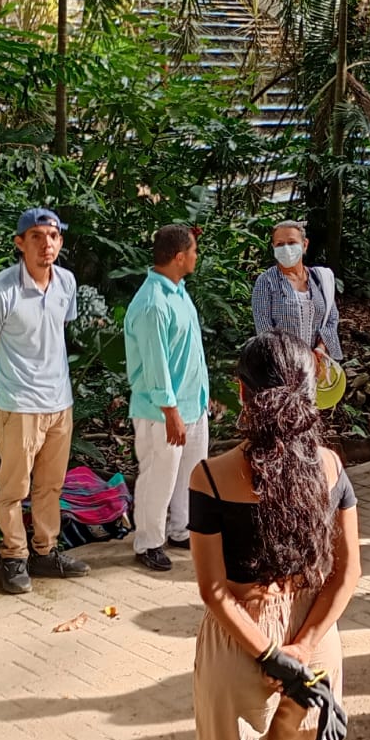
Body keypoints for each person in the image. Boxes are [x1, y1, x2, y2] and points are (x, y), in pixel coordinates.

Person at [189, 332, 362, 740]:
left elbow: (213, 591)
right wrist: (305, 647)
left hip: (243, 636)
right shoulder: (332, 467)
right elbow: (348, 572)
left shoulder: (212, 477)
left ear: (241, 393)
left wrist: (268, 655)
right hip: (316, 629)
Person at [0, 208, 90, 595]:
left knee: (50, 485)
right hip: (19, 405)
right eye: (37, 236)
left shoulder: (66, 283)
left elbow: (57, 333)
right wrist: (5, 388)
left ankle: (45, 550)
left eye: (54, 236)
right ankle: (13, 557)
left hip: (60, 403)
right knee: (13, 488)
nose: (47, 244)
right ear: (20, 243)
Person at [125, 225, 210, 574]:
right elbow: (157, 366)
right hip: (162, 412)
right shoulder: (152, 305)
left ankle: (180, 529)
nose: (195, 256)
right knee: (157, 477)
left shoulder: (178, 290)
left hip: (192, 405)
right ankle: (148, 541)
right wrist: (170, 410)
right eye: (192, 251)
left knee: (189, 475)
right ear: (179, 258)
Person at [250, 221, 342, 365]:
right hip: (282, 366)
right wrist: (294, 360)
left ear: (305, 244)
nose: (286, 249)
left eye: (292, 242)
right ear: (273, 247)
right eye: (280, 244)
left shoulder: (321, 279)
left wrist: (321, 348)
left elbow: (332, 319)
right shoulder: (266, 282)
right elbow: (265, 332)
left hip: (318, 365)